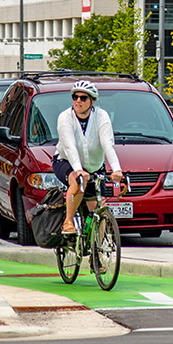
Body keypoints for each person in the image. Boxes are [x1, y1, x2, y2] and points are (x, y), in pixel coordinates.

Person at [53, 79, 126, 234]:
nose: (78, 101)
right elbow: (69, 146)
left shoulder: (101, 116)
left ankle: (98, 251)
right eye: (75, 97)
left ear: (92, 101)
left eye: (83, 98)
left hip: (94, 165)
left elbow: (108, 144)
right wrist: (78, 170)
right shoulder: (65, 117)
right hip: (65, 161)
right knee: (79, 182)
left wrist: (117, 170)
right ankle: (68, 222)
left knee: (99, 208)